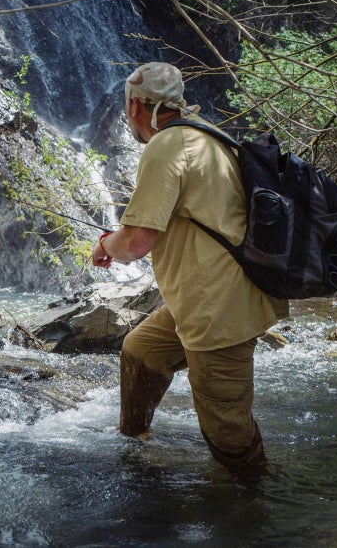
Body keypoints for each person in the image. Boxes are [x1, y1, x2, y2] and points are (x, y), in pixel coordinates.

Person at [90, 61, 287, 477]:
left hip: (218, 309)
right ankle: (134, 444)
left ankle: (257, 506)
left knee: (228, 431)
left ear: (134, 108)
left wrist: (105, 244)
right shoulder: (208, 136)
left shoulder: (166, 146)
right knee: (141, 352)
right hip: (212, 297)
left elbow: (136, 243)